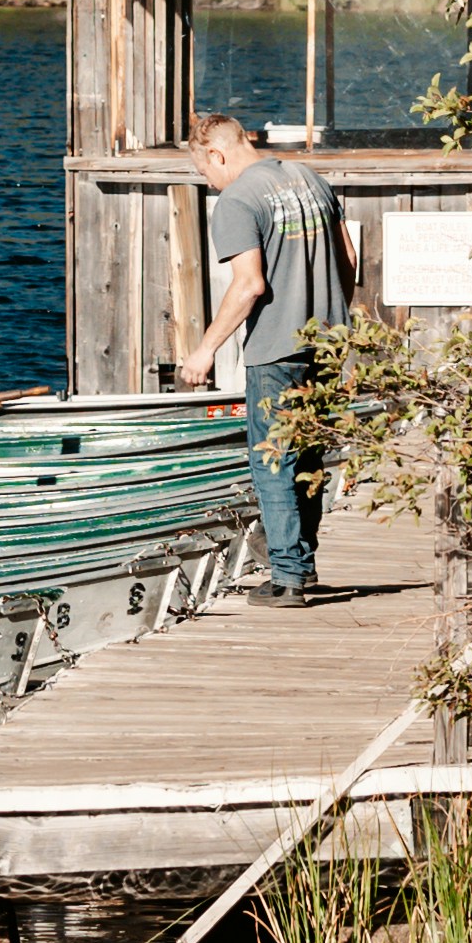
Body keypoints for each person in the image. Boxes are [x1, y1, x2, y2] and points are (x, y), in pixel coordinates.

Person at [186, 104, 342, 591]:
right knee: (311, 455)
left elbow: (249, 285)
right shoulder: (308, 178)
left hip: (277, 349)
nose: (209, 183)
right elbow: (348, 257)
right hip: (328, 343)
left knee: (273, 457)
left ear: (217, 154)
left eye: (205, 172)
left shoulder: (237, 200)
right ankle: (305, 564)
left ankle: (289, 576)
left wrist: (205, 349)